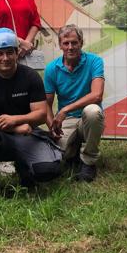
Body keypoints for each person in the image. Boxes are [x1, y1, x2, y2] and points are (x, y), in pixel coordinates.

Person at [0, 28, 61, 193]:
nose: (5, 58)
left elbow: (41, 114)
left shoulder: (31, 76)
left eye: (9, 52)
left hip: (28, 134)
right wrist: (15, 127)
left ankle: (24, 168)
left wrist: (15, 120)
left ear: (17, 52)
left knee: (48, 171)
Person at [44, 24, 105, 183]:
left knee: (93, 111)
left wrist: (65, 109)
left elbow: (97, 95)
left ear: (81, 43)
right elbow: (46, 104)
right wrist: (52, 127)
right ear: (60, 45)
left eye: (74, 42)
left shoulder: (94, 61)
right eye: (66, 43)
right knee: (58, 157)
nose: (70, 47)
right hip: (68, 121)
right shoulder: (52, 68)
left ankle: (88, 161)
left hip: (87, 118)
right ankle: (73, 150)